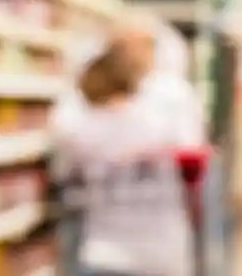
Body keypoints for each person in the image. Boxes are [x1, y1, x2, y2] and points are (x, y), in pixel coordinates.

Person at [52, 38, 195, 276]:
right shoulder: (162, 120)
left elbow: (63, 174)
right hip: (163, 252)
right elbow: (191, 161)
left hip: (105, 252)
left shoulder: (78, 130)